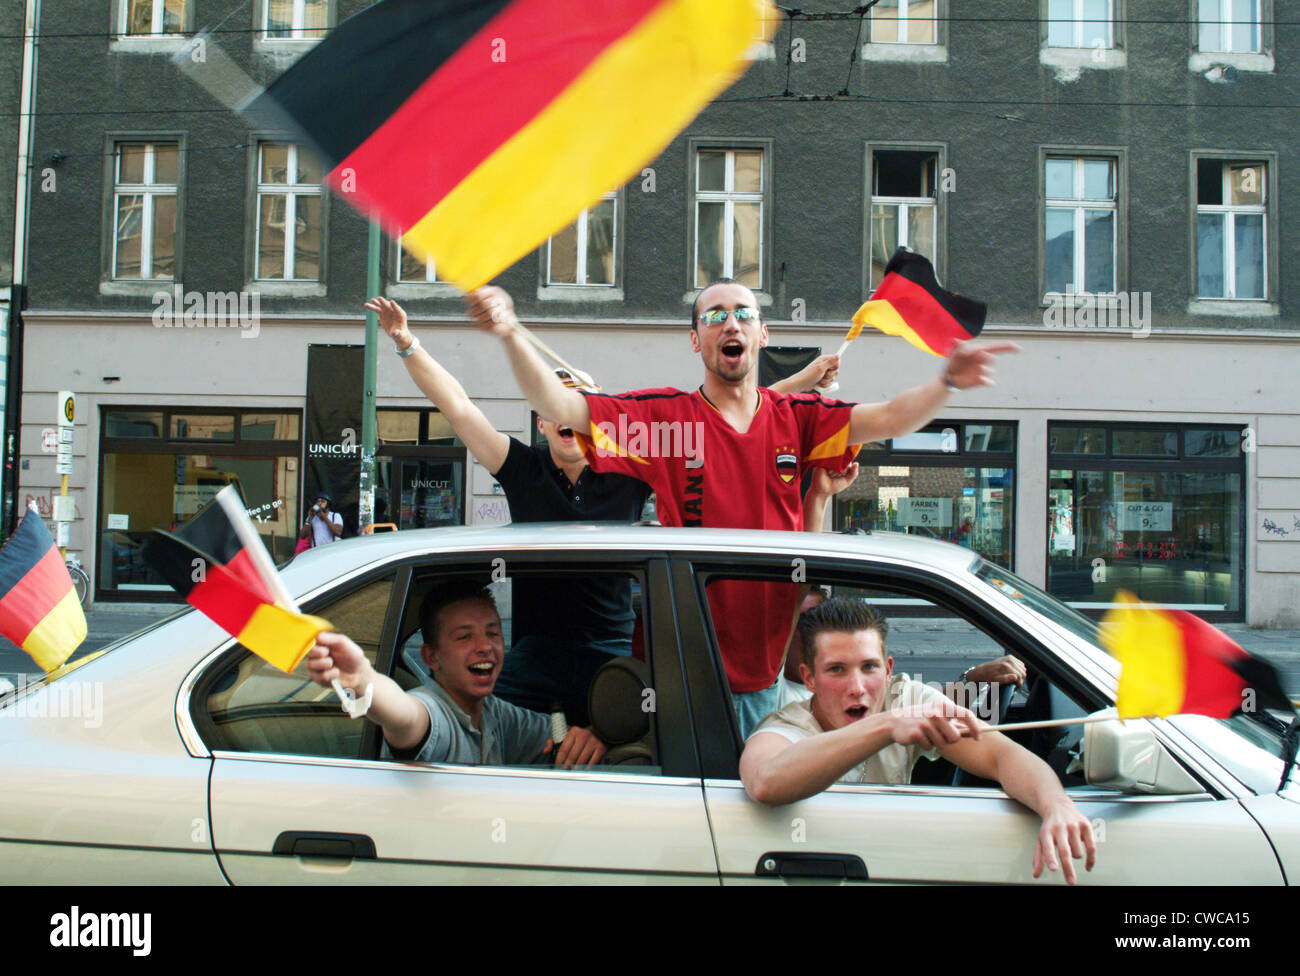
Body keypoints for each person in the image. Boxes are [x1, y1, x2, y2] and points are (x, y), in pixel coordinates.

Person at [464, 280, 1019, 734]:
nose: (730, 323)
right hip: (682, 680)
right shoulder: (666, 423)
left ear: (761, 333)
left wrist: (945, 381)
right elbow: (559, 404)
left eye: (743, 314)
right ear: (695, 340)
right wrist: (511, 332)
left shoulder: (798, 419)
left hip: (766, 682)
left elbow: (890, 418)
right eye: (714, 316)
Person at [364, 295, 850, 726]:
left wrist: (803, 380)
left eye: (580, 398)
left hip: (613, 653)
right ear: (542, 420)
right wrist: (407, 342)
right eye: (557, 399)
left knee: (631, 739)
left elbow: (731, 419)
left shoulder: (629, 468)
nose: (567, 409)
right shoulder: (521, 469)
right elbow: (459, 409)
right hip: (535, 654)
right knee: (471, 720)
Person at [741, 597, 1096, 884]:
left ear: (889, 669)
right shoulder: (789, 723)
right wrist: (886, 725)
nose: (857, 687)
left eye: (869, 667)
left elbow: (1002, 756)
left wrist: (1056, 806)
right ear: (810, 679)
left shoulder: (905, 698)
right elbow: (766, 781)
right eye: (837, 670)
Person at [305, 580, 607, 767]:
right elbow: (405, 717)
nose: (484, 647)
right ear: (431, 657)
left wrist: (592, 736)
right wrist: (363, 680)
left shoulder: (494, 714)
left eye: (493, 633)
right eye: (464, 637)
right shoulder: (433, 710)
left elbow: (559, 737)